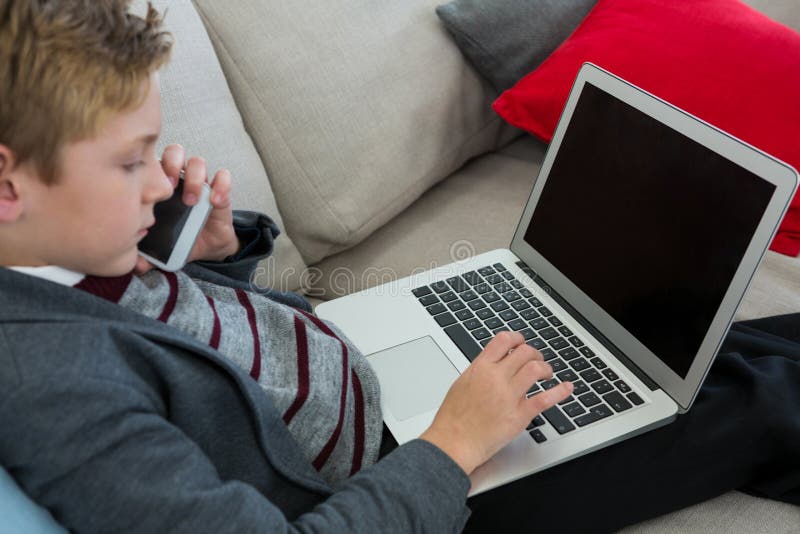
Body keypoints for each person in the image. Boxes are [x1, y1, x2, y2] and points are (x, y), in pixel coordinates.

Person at [0, 2, 796, 533]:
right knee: (763, 403)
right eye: (132, 162)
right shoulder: (57, 391)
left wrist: (212, 257)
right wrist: (453, 445)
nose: (159, 178)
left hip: (372, 377)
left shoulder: (72, 250)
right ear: (9, 186)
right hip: (400, 488)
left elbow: (198, 351)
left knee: (673, 342)